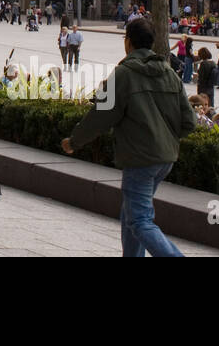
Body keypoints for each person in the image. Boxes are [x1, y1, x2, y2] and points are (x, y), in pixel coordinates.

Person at [61, 17, 196, 257]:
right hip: (165, 159)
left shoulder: (123, 74)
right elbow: (189, 122)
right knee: (131, 213)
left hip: (140, 158)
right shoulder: (170, 73)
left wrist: (74, 141)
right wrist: (167, 140)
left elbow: (100, 116)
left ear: (128, 43)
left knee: (140, 220)